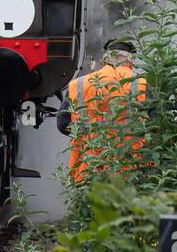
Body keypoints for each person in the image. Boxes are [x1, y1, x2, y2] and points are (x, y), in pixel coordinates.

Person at [57, 40, 147, 184]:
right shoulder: (141, 84)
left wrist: (89, 136)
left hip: (88, 168)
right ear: (131, 61)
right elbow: (154, 126)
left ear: (105, 59)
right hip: (129, 170)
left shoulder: (78, 84)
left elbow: (62, 124)